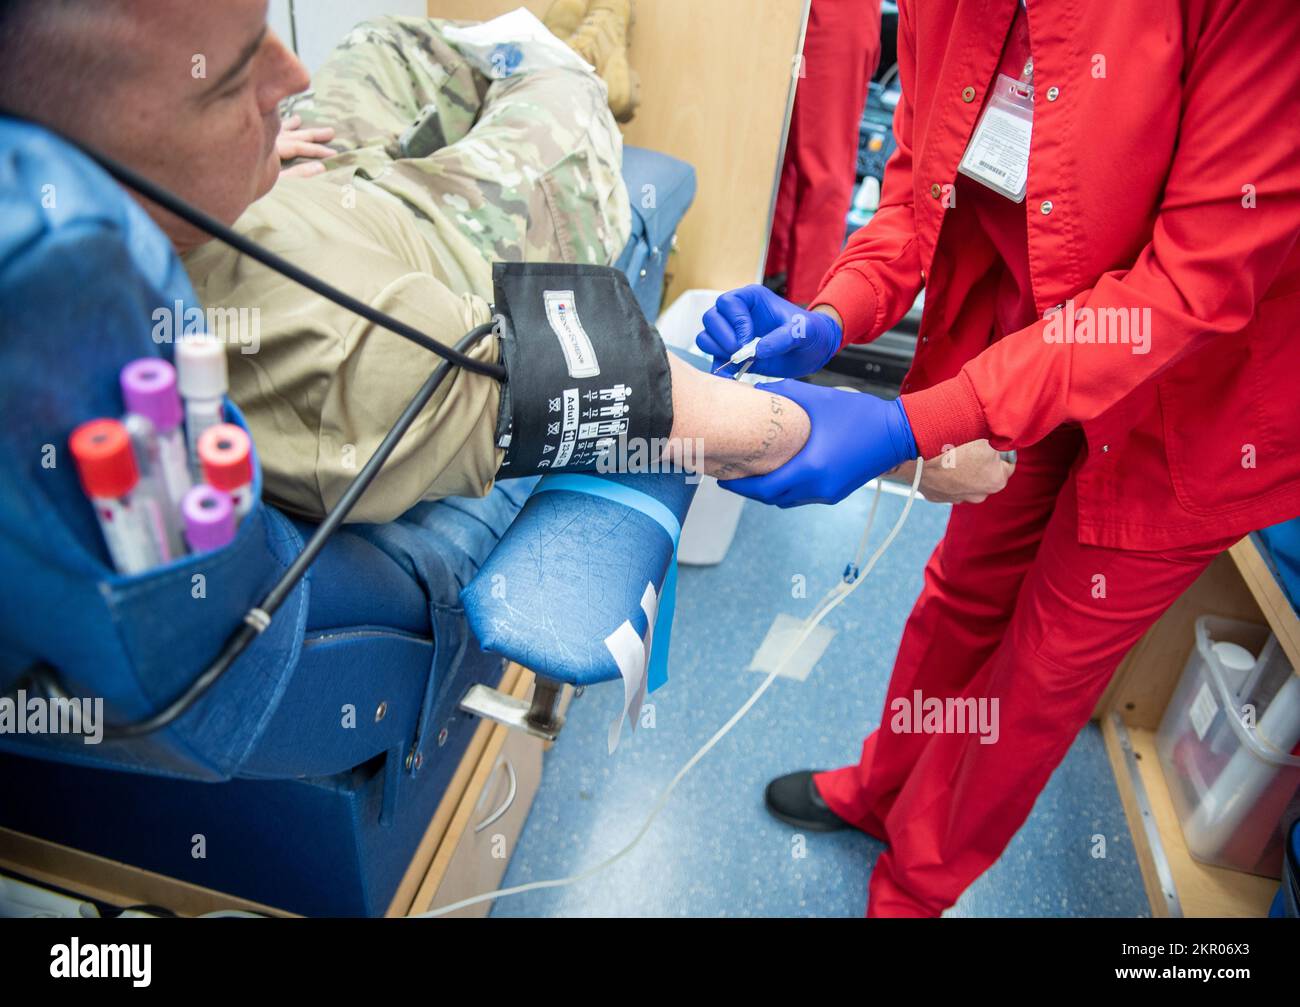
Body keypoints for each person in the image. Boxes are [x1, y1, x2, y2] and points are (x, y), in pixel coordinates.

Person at [699, 0, 1300, 916]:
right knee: (960, 594)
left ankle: (917, 883)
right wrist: (829, 315)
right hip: (1031, 341)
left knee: (1042, 669)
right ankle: (884, 787)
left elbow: (1192, 281)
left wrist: (911, 427)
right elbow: (914, 194)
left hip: (1197, 400)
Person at [0, 1, 812, 524]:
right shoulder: (328, 341)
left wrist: (219, 166)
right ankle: (586, 50)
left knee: (384, 40)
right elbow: (630, 393)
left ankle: (529, 49)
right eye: (232, 82)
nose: (292, 76)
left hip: (288, 184)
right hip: (435, 232)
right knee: (563, 92)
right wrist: (845, 429)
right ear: (92, 175)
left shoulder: (80, 196)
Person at [765, 0, 881, 304]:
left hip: (836, 10)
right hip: (768, 12)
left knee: (824, 168)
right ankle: (767, 280)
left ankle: (805, 317)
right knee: (766, 156)